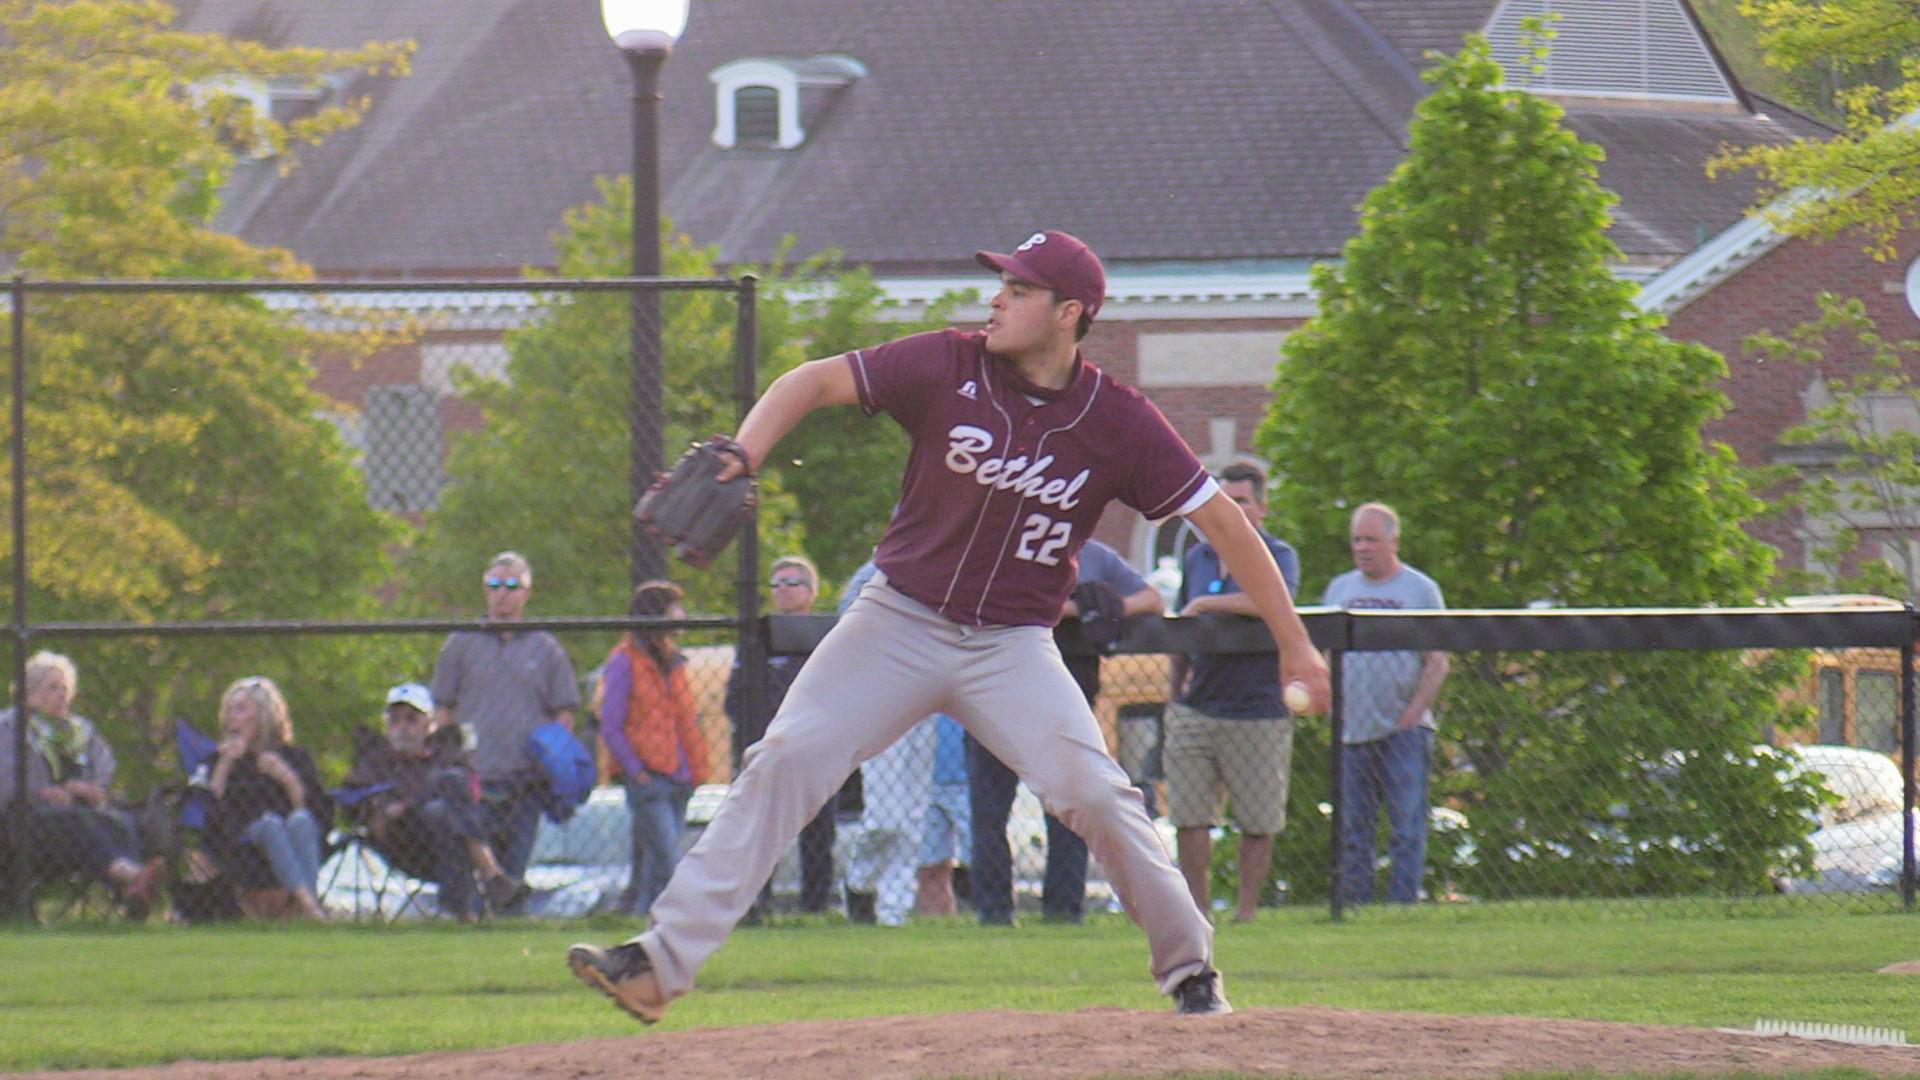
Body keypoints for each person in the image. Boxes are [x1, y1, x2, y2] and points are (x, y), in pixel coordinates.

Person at [569, 227, 1329, 1022]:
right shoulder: (946, 362)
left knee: (1099, 796)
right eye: (1002, 283)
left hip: (1011, 648)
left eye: (1021, 289)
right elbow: (810, 381)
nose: (998, 298)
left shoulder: (1120, 421)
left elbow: (1226, 525)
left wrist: (1296, 641)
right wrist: (747, 452)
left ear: (1071, 312)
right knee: (788, 756)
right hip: (896, 620)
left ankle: (1193, 976)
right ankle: (659, 963)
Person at [968, 536, 1163, 925]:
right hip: (995, 699)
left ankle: (1063, 908)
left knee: (1070, 807)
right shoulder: (996, 545)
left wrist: (1104, 609)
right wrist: (1072, 608)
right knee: (990, 811)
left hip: (1066, 703)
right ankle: (993, 912)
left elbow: (1153, 600)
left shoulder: (1094, 554)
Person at [1165, 462, 1300, 923]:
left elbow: (1270, 602)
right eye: (1228, 501)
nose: (1236, 510)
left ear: (1261, 507)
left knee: (1258, 821)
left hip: (1258, 707)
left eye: (1243, 501)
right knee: (1189, 816)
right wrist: (1173, 692)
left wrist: (1207, 603)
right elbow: (1181, 627)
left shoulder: (1279, 555)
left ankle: (1246, 913)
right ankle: (1197, 914)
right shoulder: (1198, 558)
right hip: (1197, 703)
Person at [431, 551, 580, 910]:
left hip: (525, 778)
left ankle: (509, 926)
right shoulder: (461, 643)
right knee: (472, 863)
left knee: (515, 870)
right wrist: (454, 753)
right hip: (476, 778)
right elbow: (442, 706)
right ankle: (468, 926)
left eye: (512, 586)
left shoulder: (545, 648)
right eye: (495, 585)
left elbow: (565, 710)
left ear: (527, 593)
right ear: (484, 590)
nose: (502, 593)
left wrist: (553, 756)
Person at [1323, 502, 1449, 905]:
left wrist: (1412, 715)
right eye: (1357, 539)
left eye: (1371, 540)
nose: (1362, 548)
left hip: (1404, 730)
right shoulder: (1340, 590)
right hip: (1352, 728)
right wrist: (1328, 699)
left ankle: (1402, 906)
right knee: (1354, 829)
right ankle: (1353, 906)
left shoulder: (1419, 590)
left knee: (1406, 826)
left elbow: (1437, 662)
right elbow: (1327, 655)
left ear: (1393, 541)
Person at [340, 682, 529, 920]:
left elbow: (471, 791)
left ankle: (458, 911)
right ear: (386, 725)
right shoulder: (375, 762)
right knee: (447, 793)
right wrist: (381, 808)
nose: (402, 727)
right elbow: (351, 800)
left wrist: (408, 801)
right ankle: (491, 874)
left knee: (445, 806)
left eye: (412, 719)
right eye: (395, 720)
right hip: (405, 840)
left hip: (447, 832)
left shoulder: (447, 755)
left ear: (429, 725)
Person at [0, 651, 164, 918]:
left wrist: (90, 790)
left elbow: (103, 770)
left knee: (121, 820)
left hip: (82, 814)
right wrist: (43, 794)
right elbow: (5, 782)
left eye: (65, 688)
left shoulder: (80, 732)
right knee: (78, 820)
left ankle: (132, 892)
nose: (61, 695)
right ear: (29, 692)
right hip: (29, 822)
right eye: (52, 688)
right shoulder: (8, 728)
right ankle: (132, 876)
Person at [723, 554, 838, 916]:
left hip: (814, 751)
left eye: (792, 583)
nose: (783, 591)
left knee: (819, 832)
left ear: (811, 591)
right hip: (767, 750)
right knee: (762, 830)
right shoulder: (756, 639)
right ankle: (758, 904)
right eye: (777, 584)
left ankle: (814, 908)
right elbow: (735, 697)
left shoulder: (830, 639)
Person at [600, 580, 710, 917]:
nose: (682, 616)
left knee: (654, 862)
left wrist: (695, 770)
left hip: (680, 775)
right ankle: (690, 919)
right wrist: (636, 771)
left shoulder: (674, 661)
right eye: (674, 607)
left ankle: (644, 918)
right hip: (649, 776)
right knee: (668, 858)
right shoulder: (624, 661)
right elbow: (611, 724)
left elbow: (686, 719)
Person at [205, 676, 332, 920]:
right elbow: (209, 805)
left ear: (264, 714)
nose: (231, 716)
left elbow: (314, 809)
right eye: (229, 709)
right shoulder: (219, 759)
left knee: (301, 820)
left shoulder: (294, 757)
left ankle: (307, 905)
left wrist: (287, 778)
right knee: (270, 824)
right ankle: (311, 908)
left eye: (240, 708)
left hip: (293, 842)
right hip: (241, 841)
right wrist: (226, 763)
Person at [915, 714, 970, 917]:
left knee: (984, 862)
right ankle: (936, 923)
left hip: (970, 784)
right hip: (924, 784)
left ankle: (995, 917)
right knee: (930, 866)